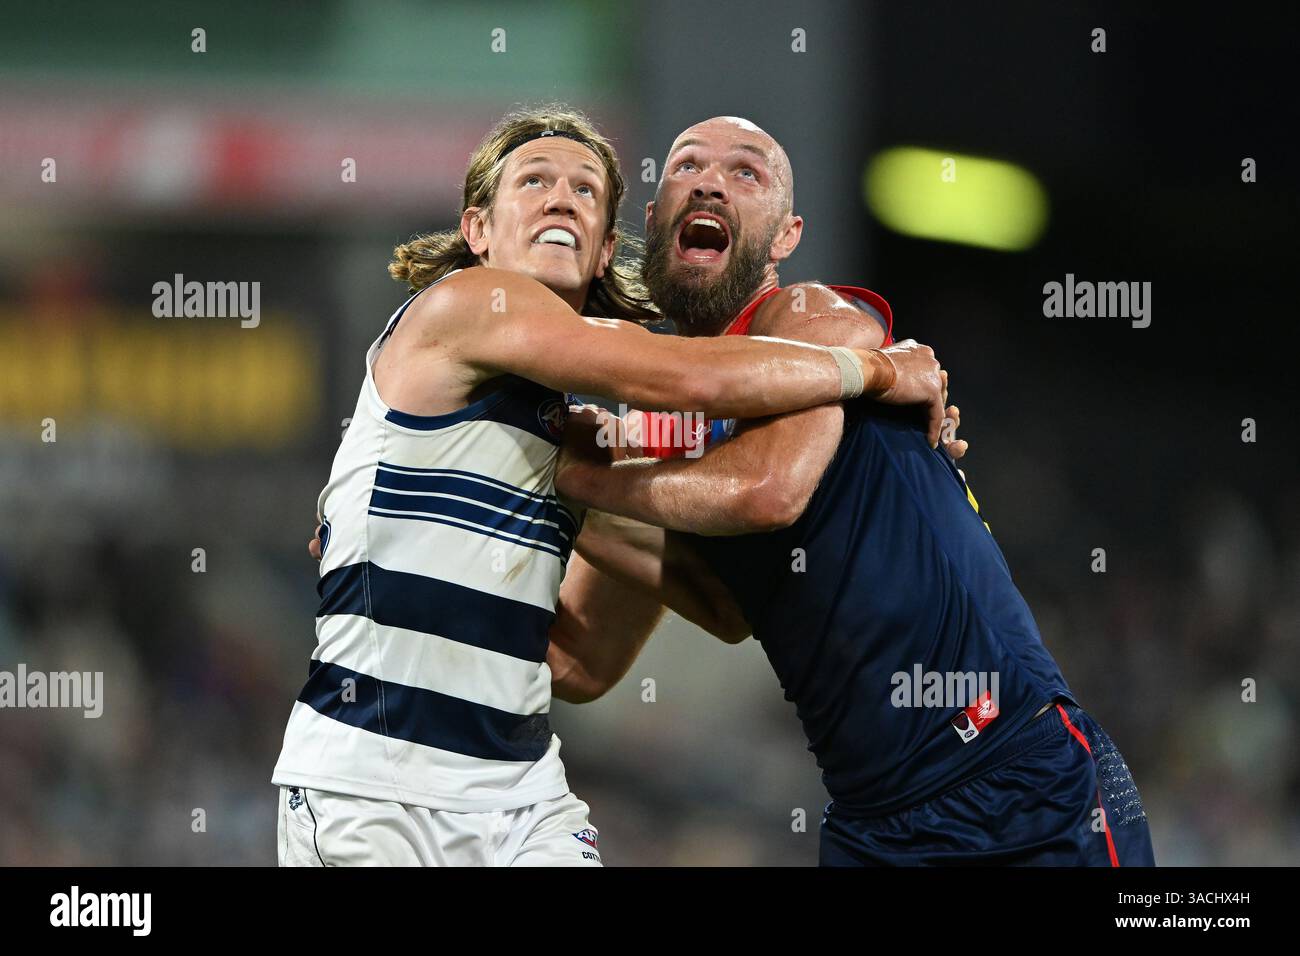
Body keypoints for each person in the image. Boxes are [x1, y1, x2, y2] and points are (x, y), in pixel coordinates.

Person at [273, 106, 947, 866]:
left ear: (600, 256)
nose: (563, 198)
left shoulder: (564, 435)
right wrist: (878, 371)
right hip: (373, 789)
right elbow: (675, 373)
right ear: (478, 231)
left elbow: (597, 659)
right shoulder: (461, 305)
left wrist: (615, 488)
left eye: (587, 192)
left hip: (521, 798)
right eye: (535, 181)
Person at [552, 116, 1155, 866]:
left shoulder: (808, 317)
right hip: (873, 826)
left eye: (747, 173)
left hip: (1018, 781)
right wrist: (516, 502)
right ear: (651, 219)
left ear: (785, 237)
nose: (708, 179)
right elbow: (591, 658)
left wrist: (568, 471)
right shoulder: (659, 429)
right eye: (685, 167)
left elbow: (768, 491)